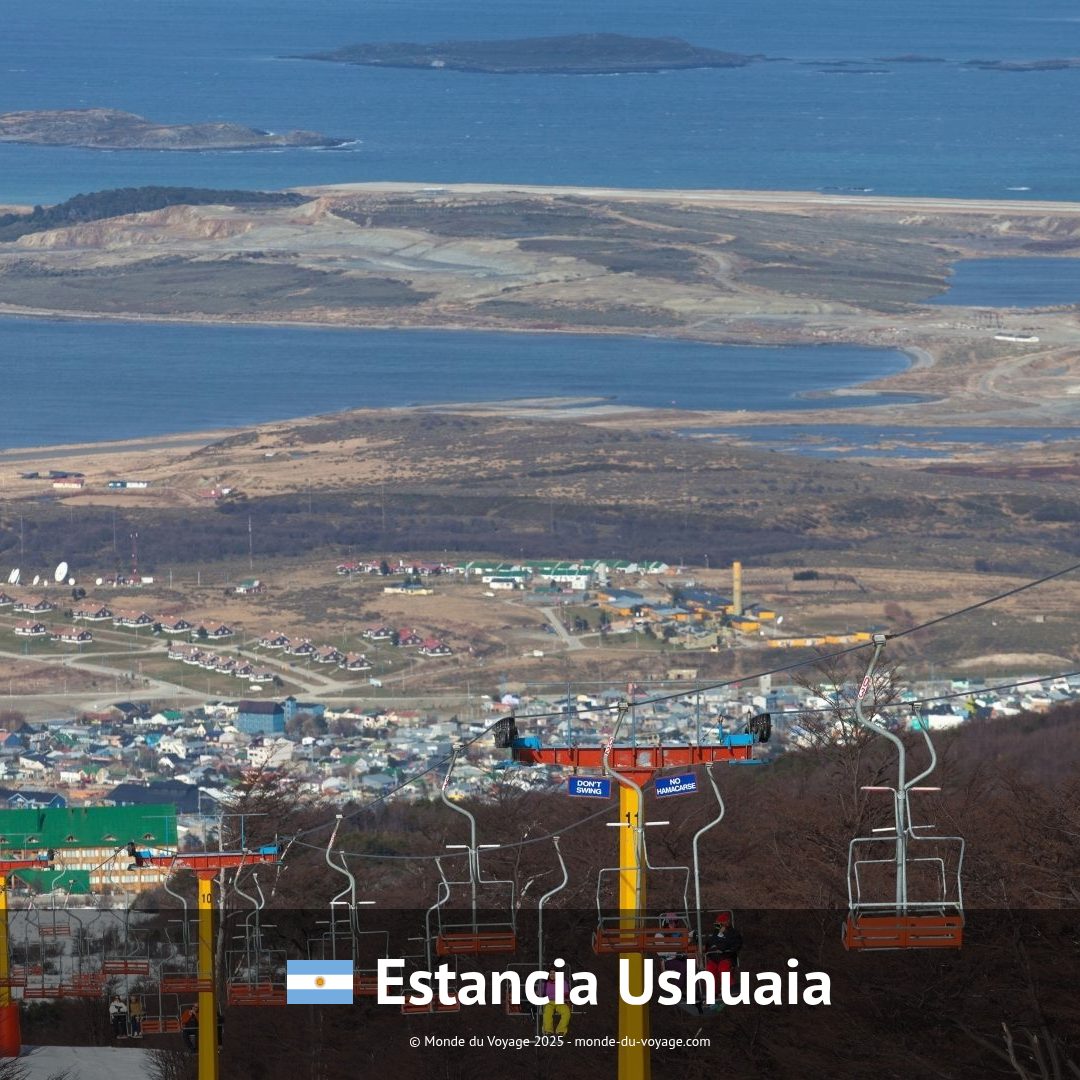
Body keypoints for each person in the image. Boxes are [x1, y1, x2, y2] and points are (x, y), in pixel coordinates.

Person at [703, 912, 743, 984]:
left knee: (723, 969)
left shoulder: (733, 933)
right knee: (710, 970)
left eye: (720, 925)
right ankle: (713, 992)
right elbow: (710, 943)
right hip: (714, 957)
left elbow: (736, 945)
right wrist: (708, 948)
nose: (718, 927)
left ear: (726, 924)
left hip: (726, 956)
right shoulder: (715, 933)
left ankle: (729, 989)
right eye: (717, 925)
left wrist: (725, 934)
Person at [541, 971, 571, 1036]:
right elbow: (539, 993)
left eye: (554, 973)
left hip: (560, 1001)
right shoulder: (545, 983)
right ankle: (548, 1031)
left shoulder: (562, 982)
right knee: (547, 1013)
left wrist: (551, 996)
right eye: (551, 973)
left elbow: (565, 993)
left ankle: (561, 1030)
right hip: (549, 1002)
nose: (552, 975)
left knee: (566, 1012)